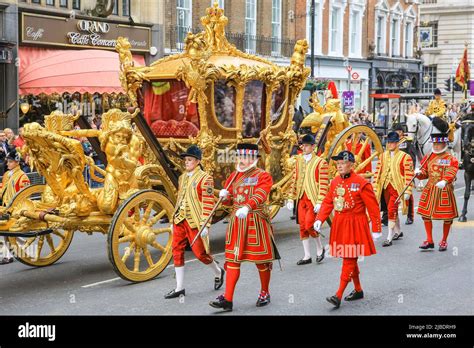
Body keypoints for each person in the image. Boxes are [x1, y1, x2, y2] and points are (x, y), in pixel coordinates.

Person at [209, 143, 279, 312]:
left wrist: (247, 207)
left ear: (254, 159)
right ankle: (228, 299)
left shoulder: (263, 175)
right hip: (237, 223)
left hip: (256, 221)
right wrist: (224, 196)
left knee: (261, 261)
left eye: (246, 157)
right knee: (232, 260)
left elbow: (261, 194)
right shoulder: (233, 176)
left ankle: (264, 292)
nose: (242, 161)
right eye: (240, 157)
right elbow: (228, 201)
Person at [314, 151, 381, 309]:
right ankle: (358, 290)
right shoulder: (335, 181)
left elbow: (373, 208)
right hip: (340, 223)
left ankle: (338, 295)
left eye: (342, 163)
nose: (339, 166)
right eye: (337, 164)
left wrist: (376, 228)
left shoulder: (361, 183)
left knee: (349, 258)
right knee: (349, 257)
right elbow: (328, 202)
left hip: (356, 224)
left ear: (351, 165)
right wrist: (319, 219)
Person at [164, 145, 224, 299]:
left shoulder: (206, 179)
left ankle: (218, 271)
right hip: (180, 219)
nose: (186, 162)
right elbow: (180, 199)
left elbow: (208, 203)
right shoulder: (182, 177)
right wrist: (173, 219)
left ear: (197, 161)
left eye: (189, 160)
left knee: (200, 254)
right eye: (186, 160)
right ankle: (179, 288)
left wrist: (206, 224)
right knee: (176, 250)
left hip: (196, 221)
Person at [415, 123, 458, 252]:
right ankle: (429, 240)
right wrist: (419, 173)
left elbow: (452, 170)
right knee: (425, 215)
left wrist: (445, 181)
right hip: (430, 188)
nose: (436, 146)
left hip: (444, 189)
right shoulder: (428, 157)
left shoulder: (450, 158)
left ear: (444, 144)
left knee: (447, 217)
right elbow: (425, 174)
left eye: (438, 144)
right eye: (434, 144)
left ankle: (444, 240)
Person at [286, 134, 328, 265]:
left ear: (313, 147)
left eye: (306, 145)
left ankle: (320, 248)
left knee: (310, 225)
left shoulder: (321, 162)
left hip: (313, 199)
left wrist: (320, 201)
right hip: (301, 198)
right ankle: (307, 255)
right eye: (302, 145)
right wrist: (290, 198)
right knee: (302, 227)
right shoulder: (298, 161)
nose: (304, 148)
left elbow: (323, 183)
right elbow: (294, 179)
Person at [373, 132, 414, 247]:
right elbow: (378, 171)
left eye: (393, 142)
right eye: (389, 142)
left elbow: (408, 175)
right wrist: (375, 185)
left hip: (397, 187)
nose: (390, 144)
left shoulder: (405, 157)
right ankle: (398, 231)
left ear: (397, 143)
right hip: (385, 187)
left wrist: (408, 191)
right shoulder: (382, 156)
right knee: (392, 209)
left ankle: (389, 236)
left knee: (391, 209)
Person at [0, 150, 30, 265]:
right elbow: (3, 190)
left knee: (5, 231)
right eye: (7, 161)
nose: (7, 164)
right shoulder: (7, 174)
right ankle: (22, 242)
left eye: (10, 162)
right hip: (5, 206)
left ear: (17, 162)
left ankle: (7, 256)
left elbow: (25, 195)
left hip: (16, 208)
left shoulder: (23, 176)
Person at [393, 123, 416, 225]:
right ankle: (386, 216)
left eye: (396, 131)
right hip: (394, 171)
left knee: (408, 194)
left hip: (404, 171)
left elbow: (412, 157)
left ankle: (410, 216)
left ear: (401, 132)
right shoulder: (392, 141)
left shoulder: (407, 142)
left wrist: (410, 172)